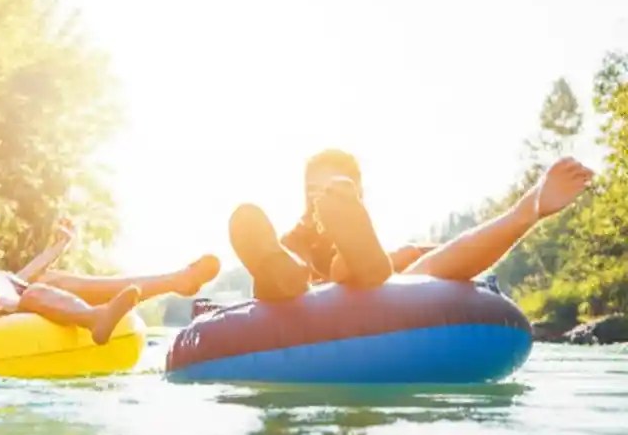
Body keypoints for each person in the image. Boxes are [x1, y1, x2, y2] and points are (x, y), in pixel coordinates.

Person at [228, 149, 595, 300]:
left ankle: (524, 211)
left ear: (359, 197)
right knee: (295, 268)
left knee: (408, 263)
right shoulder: (297, 241)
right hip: (301, 292)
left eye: (330, 193)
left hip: (368, 285)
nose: (317, 202)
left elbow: (448, 256)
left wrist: (407, 258)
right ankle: (278, 268)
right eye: (315, 192)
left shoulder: (365, 244)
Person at [0, 191, 221, 343]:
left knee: (45, 281)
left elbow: (25, 277)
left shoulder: (1, 278)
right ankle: (94, 316)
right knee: (34, 290)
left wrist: (58, 247)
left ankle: (176, 280)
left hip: (15, 297)